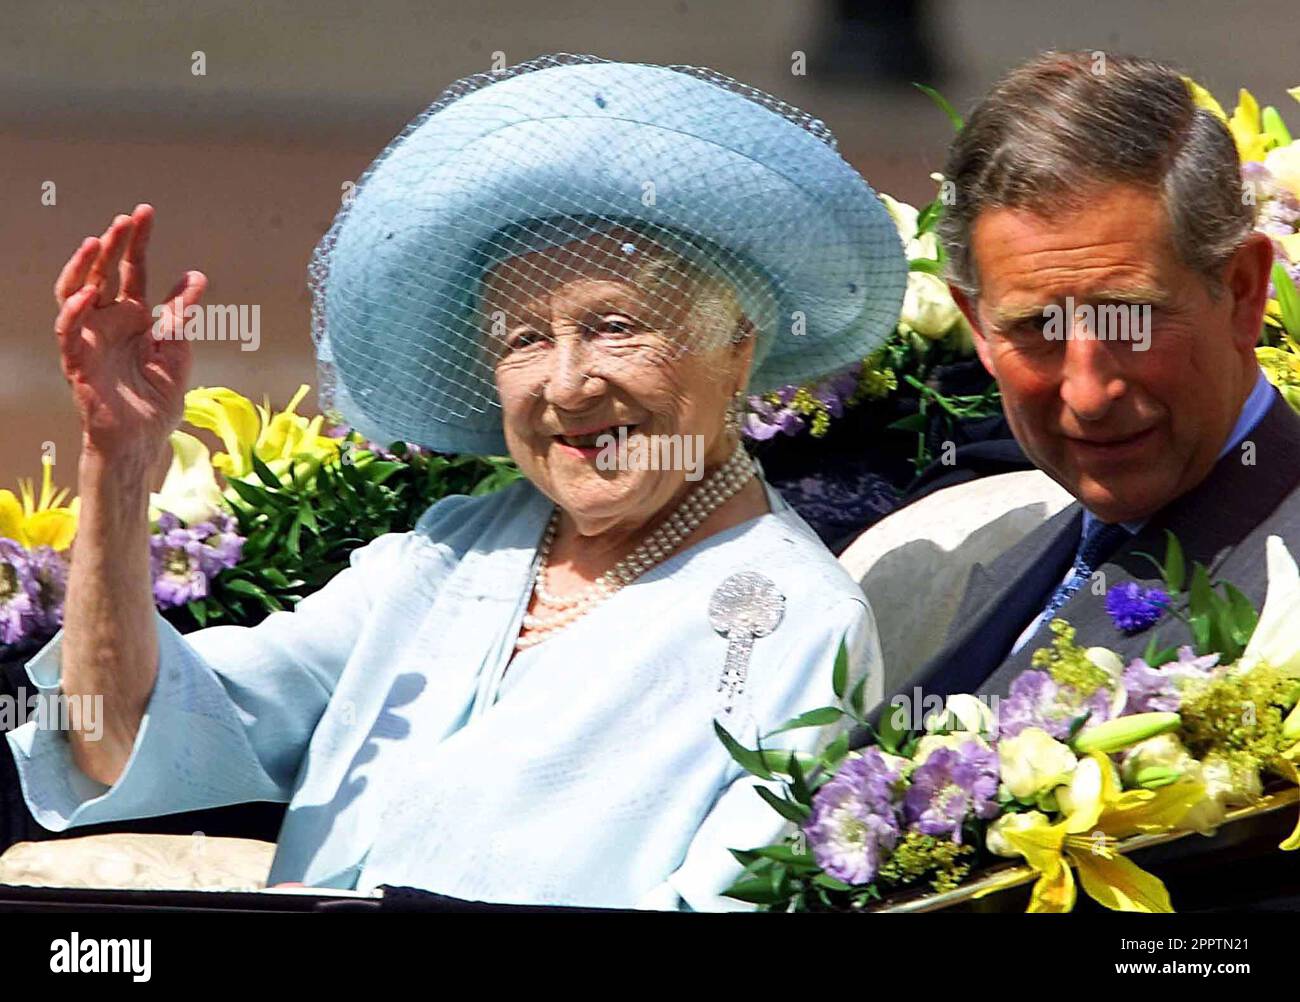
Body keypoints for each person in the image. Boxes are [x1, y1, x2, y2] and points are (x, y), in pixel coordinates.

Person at [6, 55, 907, 910]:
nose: (566, 383)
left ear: (737, 345)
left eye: (615, 327)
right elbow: (113, 734)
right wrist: (118, 463)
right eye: (523, 340)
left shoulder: (796, 624)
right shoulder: (445, 555)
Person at [875, 51, 1299, 707]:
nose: (1087, 393)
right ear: (978, 328)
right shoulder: (1028, 567)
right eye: (1038, 328)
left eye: (1131, 319)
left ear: (1243, 292)